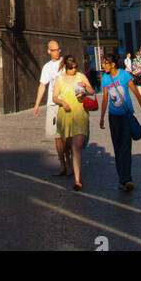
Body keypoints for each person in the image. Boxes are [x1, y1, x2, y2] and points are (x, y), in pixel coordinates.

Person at [99, 49, 141, 192]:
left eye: (106, 63)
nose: (104, 66)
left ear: (113, 64)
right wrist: (102, 117)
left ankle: (127, 179)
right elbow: (105, 99)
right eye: (104, 63)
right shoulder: (105, 78)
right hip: (113, 117)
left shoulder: (124, 75)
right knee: (117, 148)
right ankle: (122, 179)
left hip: (126, 116)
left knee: (126, 147)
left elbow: (137, 94)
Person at [52, 54, 95, 191]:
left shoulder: (81, 76)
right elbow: (54, 97)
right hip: (65, 115)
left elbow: (92, 91)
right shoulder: (60, 79)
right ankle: (67, 165)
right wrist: (62, 102)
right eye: (71, 68)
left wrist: (86, 88)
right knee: (67, 145)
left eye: (75, 67)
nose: (74, 70)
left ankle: (77, 179)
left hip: (80, 114)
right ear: (66, 67)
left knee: (76, 147)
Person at [33, 39, 68, 173]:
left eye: (58, 50)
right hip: (53, 105)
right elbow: (43, 85)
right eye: (54, 50)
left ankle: (69, 162)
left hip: (66, 104)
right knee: (57, 136)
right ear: (49, 51)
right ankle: (63, 164)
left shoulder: (65, 63)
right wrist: (37, 105)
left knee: (67, 136)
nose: (57, 52)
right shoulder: (47, 67)